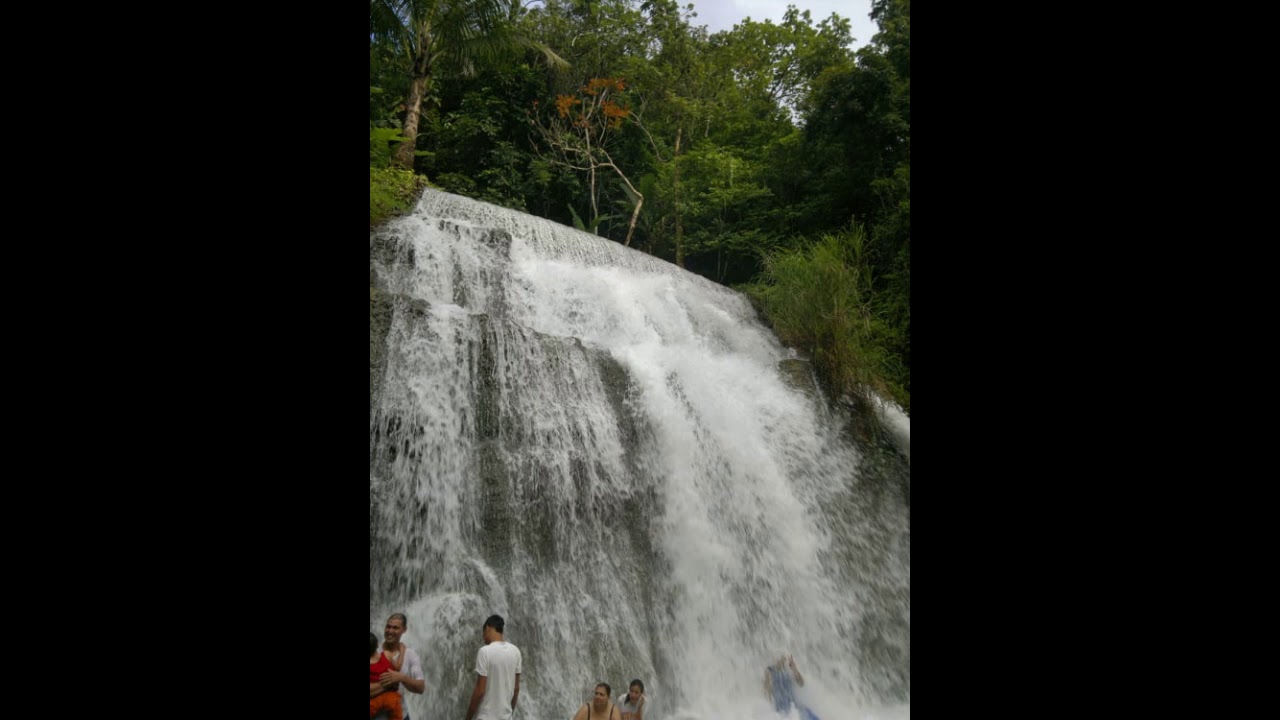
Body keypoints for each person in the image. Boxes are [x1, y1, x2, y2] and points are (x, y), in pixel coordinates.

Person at [465, 614, 523, 720]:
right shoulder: (516, 651)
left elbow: (480, 690)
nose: (483, 638)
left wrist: (468, 717)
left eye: (483, 633)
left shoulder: (485, 652)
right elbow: (516, 688)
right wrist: (510, 711)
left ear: (487, 627)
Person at [372, 613, 426, 720]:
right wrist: (388, 683)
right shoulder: (373, 652)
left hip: (401, 715)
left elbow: (421, 687)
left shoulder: (410, 654)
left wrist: (402, 678)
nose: (390, 631)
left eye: (395, 628)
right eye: (388, 626)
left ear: (404, 630)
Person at [765, 654, 819, 720]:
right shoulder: (770, 671)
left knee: (809, 716)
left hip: (793, 706)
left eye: (784, 658)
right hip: (781, 709)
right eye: (779, 658)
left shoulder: (789, 670)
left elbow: (801, 683)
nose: (782, 660)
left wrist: (794, 669)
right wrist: (769, 680)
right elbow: (766, 692)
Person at [371, 631, 404, 720]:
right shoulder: (387, 654)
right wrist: (402, 651)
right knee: (397, 715)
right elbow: (398, 668)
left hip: (375, 699)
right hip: (391, 696)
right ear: (377, 645)